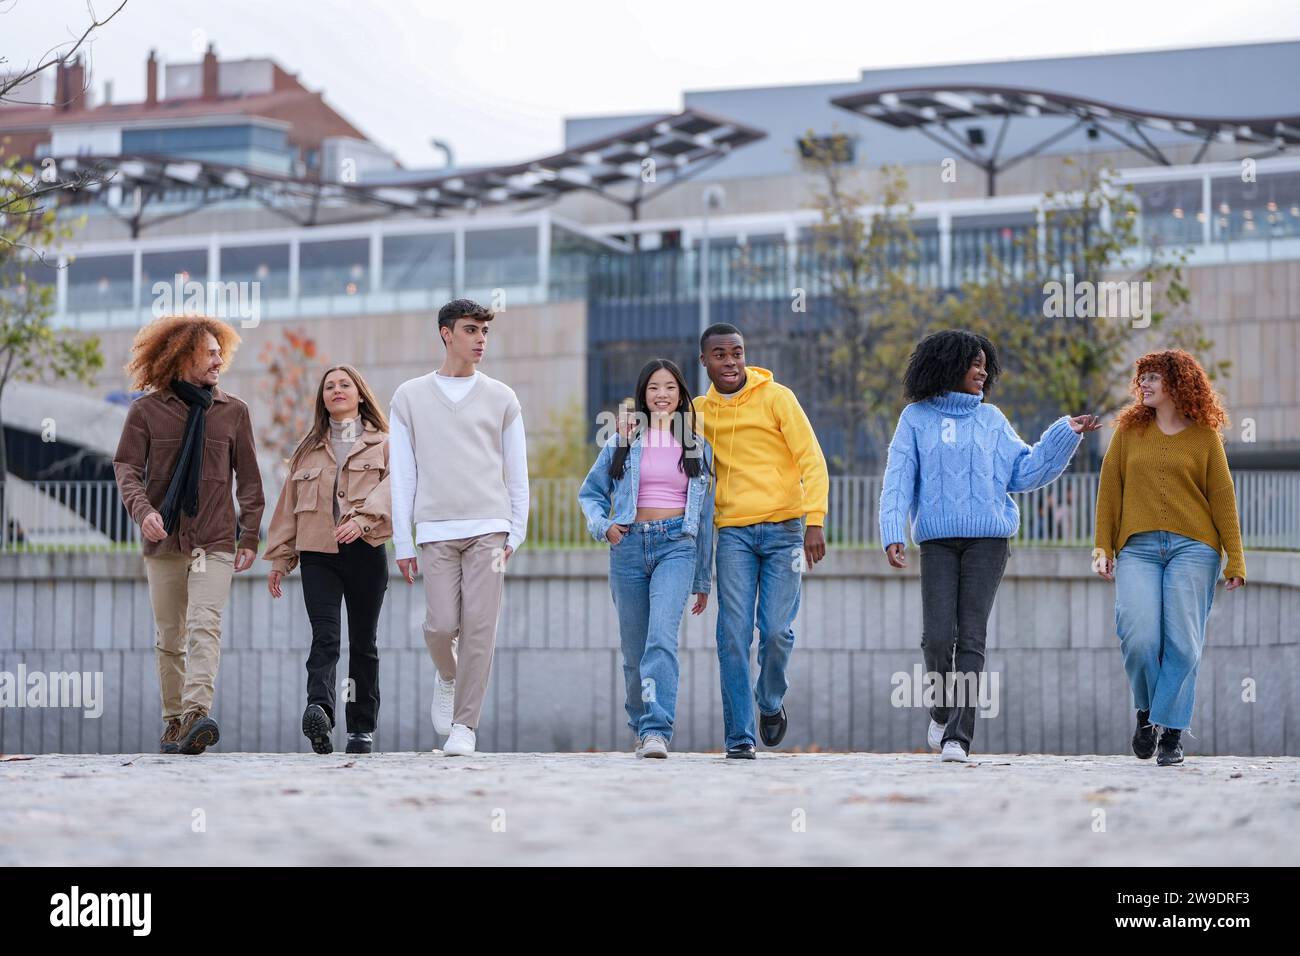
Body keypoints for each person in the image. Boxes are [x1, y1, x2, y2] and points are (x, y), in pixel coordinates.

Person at [879, 329, 1098, 762]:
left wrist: (1064, 433)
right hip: (938, 541)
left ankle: (959, 736)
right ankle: (941, 709)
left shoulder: (992, 420)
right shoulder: (916, 419)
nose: (983, 372)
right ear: (948, 365)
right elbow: (899, 479)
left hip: (989, 540)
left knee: (972, 637)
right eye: (975, 364)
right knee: (938, 639)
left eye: (985, 365)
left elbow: (1025, 472)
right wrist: (892, 531)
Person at [113, 315, 264, 756]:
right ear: (183, 355)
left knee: (205, 624)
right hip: (163, 541)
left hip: (215, 538)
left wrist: (250, 534)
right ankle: (173, 722)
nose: (220, 359)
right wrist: (142, 512)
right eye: (211, 352)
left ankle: (197, 714)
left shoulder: (233, 412)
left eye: (222, 352)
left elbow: (250, 480)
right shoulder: (145, 411)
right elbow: (126, 469)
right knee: (169, 636)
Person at [389, 299, 529, 757]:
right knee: (440, 625)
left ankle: (464, 727)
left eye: (485, 332)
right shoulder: (408, 397)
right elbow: (404, 474)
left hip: (490, 526)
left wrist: (516, 529)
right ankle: (447, 675)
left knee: (480, 629)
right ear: (446, 334)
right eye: (471, 330)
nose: (481, 339)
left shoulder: (503, 397)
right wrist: (403, 540)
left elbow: (517, 469)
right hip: (435, 529)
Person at [1094, 349, 1246, 767]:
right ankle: (1147, 714)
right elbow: (1110, 491)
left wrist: (1235, 558)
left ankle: (1172, 733)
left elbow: (1223, 499)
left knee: (1183, 642)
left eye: (1153, 378)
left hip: (1194, 548)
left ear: (1178, 384)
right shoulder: (1128, 432)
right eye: (1142, 377)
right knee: (1139, 636)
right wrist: (1103, 546)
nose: (1143, 384)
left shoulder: (1204, 436)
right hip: (1138, 548)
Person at [694, 323, 829, 758]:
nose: (730, 362)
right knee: (732, 634)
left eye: (736, 353)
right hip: (732, 532)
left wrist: (815, 520)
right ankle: (739, 737)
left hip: (786, 530)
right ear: (705, 361)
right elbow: (657, 429)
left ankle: (769, 702)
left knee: (775, 631)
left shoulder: (777, 398)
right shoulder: (698, 412)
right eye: (720, 355)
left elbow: (811, 456)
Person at [578, 359, 715, 759]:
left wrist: (702, 580)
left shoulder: (696, 445)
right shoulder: (623, 440)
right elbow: (590, 493)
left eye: (670, 387)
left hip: (677, 545)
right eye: (654, 387)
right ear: (643, 394)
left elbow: (705, 516)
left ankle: (657, 730)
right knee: (635, 649)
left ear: (681, 394)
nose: (661, 395)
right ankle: (639, 726)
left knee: (661, 639)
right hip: (629, 546)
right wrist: (602, 526)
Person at [265, 365, 392, 755]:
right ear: (322, 398)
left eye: (345, 384)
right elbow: (288, 508)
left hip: (366, 551)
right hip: (318, 554)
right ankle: (318, 707)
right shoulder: (307, 449)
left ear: (359, 393)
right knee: (325, 637)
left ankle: (361, 728)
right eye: (329, 386)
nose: (336, 390)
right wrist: (280, 558)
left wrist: (363, 520)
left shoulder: (385, 443)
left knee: (363, 643)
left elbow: (397, 487)